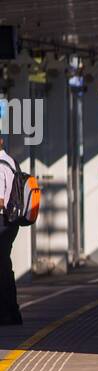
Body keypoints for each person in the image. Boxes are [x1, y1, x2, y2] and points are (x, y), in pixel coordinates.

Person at [0, 135, 23, 324]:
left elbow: (0, 201)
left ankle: (6, 313)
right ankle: (12, 312)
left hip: (1, 221)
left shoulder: (0, 166)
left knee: (2, 267)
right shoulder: (12, 162)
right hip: (10, 222)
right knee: (5, 266)